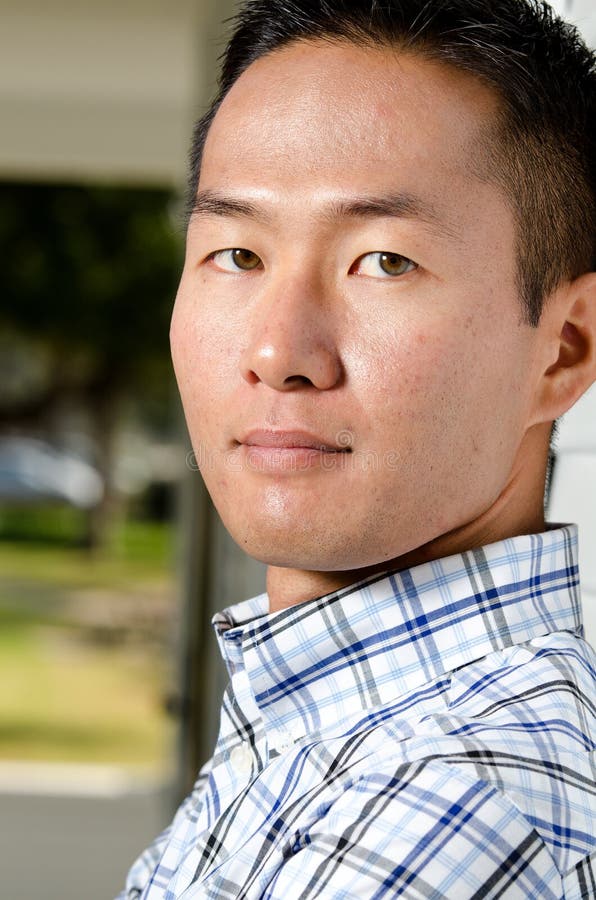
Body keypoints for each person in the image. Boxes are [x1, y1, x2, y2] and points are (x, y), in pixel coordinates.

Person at [119, 0, 596, 896]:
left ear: (563, 349)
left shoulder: (449, 805)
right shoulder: (314, 730)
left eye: (384, 262)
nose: (278, 353)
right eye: (238, 254)